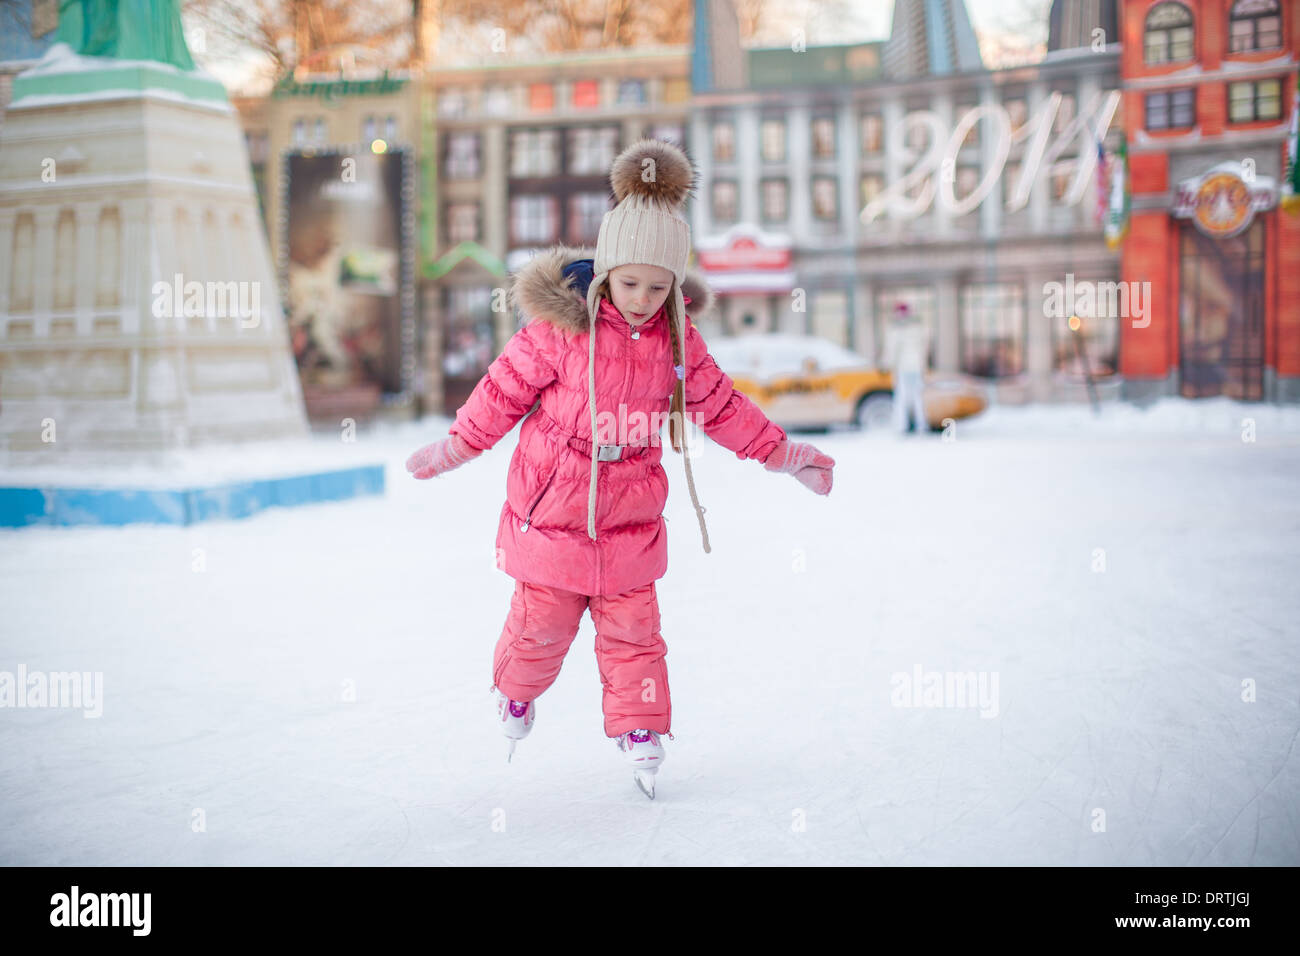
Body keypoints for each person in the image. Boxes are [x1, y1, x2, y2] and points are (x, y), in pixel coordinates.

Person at [403, 139, 835, 798]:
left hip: (631, 513)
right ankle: (515, 694)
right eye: (630, 282)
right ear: (605, 271)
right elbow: (502, 391)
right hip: (553, 508)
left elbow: (720, 407)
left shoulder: (678, 340)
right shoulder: (562, 329)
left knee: (636, 635)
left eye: (658, 286)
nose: (642, 297)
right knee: (540, 629)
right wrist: (454, 449)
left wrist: (786, 455)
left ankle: (640, 730)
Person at [882, 302, 930, 434]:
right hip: (916, 367)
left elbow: (892, 350)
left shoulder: (896, 329)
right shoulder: (918, 327)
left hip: (903, 368)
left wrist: (886, 364)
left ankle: (902, 425)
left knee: (902, 398)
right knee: (917, 397)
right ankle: (921, 425)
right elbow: (924, 348)